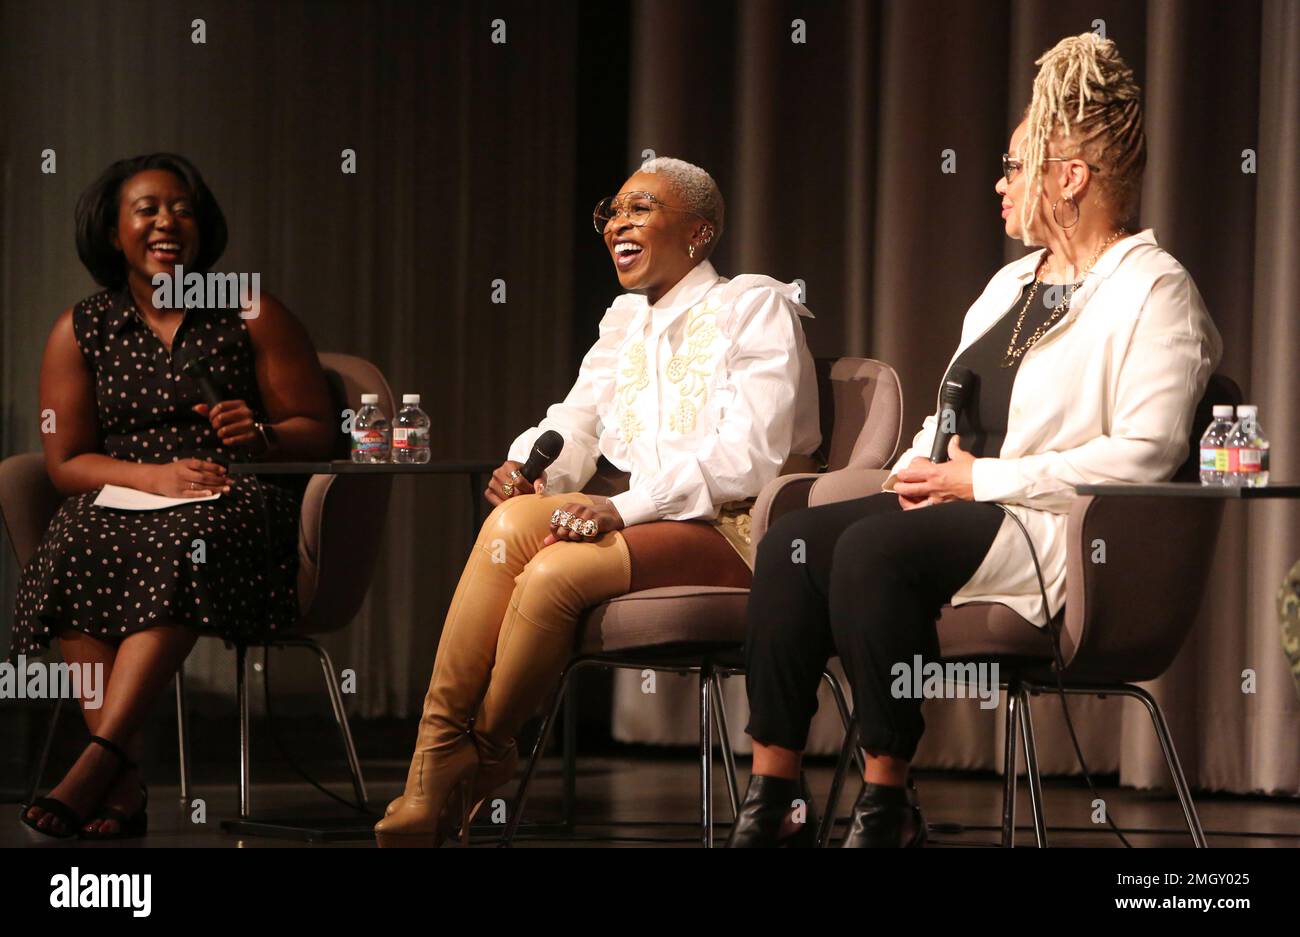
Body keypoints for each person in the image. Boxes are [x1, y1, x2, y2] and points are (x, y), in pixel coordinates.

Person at [730, 34, 1223, 847]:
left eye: (1015, 164)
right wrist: (915, 468)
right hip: (957, 505)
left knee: (870, 556)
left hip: (1046, 527)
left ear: (1071, 177)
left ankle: (888, 800)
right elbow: (948, 416)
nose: (999, 183)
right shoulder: (1007, 284)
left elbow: (1145, 453)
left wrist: (980, 480)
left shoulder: (1154, 289)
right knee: (793, 542)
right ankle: (773, 793)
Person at [375, 157, 821, 846]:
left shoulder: (752, 305)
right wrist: (530, 468)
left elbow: (749, 457)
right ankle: (440, 757)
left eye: (640, 208)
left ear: (698, 233)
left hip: (737, 530)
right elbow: (576, 420)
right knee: (510, 520)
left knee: (555, 571)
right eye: (612, 211)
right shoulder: (624, 321)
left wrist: (625, 506)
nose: (618, 221)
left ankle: (476, 751)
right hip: (644, 518)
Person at [14, 154, 334, 839]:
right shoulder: (81, 329)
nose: (168, 223)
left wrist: (264, 436)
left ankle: (97, 760)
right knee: (71, 537)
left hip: (233, 497)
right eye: (148, 209)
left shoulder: (248, 308)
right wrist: (152, 478)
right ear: (111, 231)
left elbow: (318, 429)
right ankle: (122, 777)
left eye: (183, 209)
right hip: (129, 494)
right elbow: (65, 460)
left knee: (182, 540)